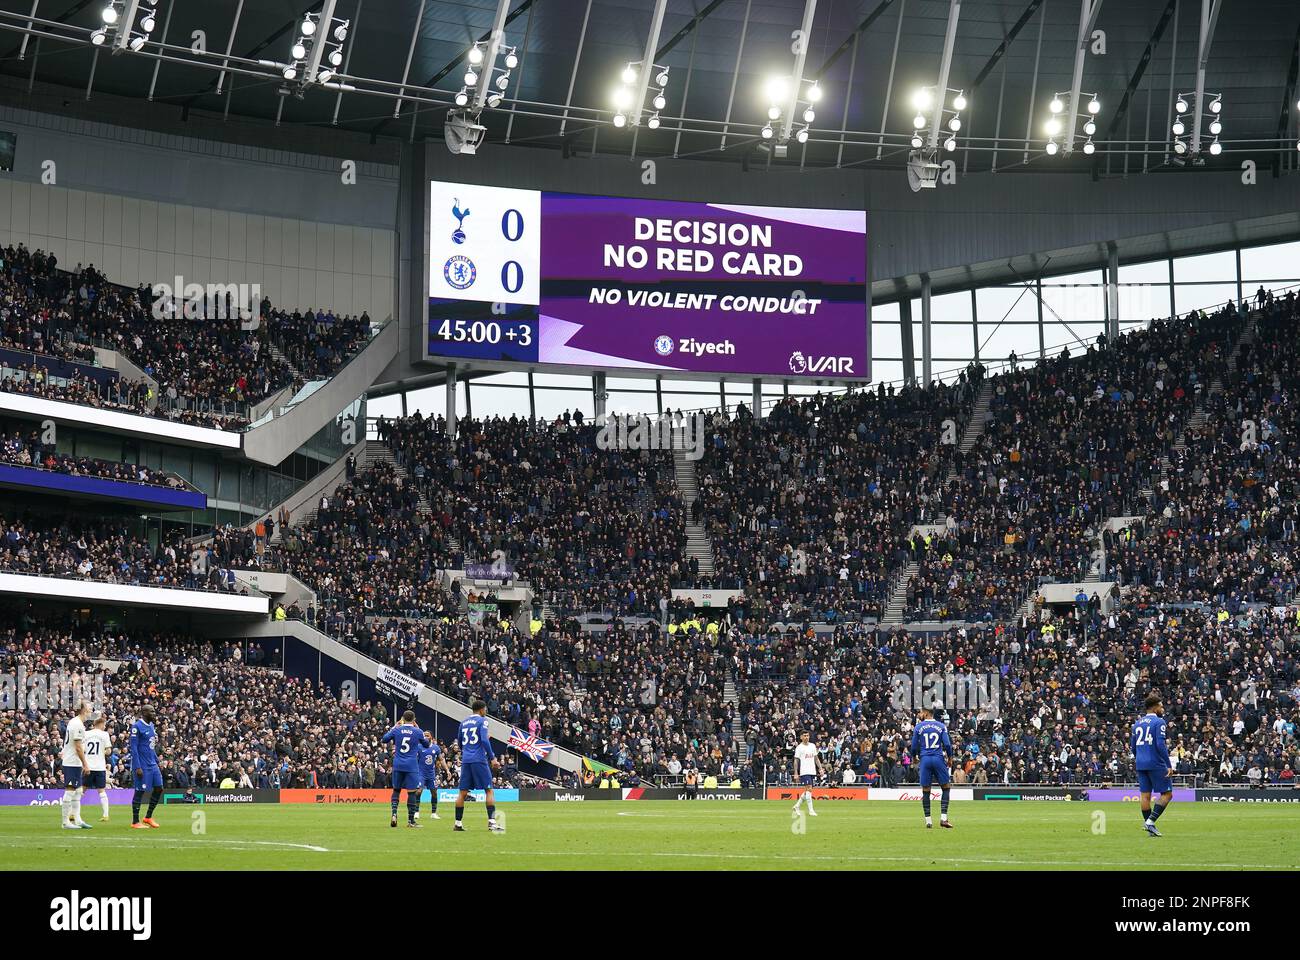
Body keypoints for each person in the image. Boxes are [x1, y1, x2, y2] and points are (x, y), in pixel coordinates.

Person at [454, 700, 503, 832]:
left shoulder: (463, 723)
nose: (485, 711)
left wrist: (468, 750)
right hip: (479, 759)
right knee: (488, 790)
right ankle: (492, 822)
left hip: (466, 759)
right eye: (485, 709)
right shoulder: (483, 721)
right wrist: (492, 757)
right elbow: (483, 739)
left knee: (462, 793)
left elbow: (459, 742)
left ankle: (458, 823)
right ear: (481, 710)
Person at [1132, 692, 1174, 837]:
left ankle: (1150, 828)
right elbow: (1160, 744)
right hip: (1155, 762)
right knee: (1167, 794)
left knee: (1145, 796)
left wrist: (1140, 758)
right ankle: (1150, 822)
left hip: (1140, 763)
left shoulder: (1137, 724)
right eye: (1161, 706)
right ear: (1155, 707)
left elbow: (1133, 747)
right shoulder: (1159, 722)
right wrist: (1168, 764)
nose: (1163, 709)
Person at [381, 709, 425, 828]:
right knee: (411, 793)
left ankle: (394, 814)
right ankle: (411, 821)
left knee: (396, 790)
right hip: (411, 765)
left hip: (398, 764)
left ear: (403, 719)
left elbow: (384, 739)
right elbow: (426, 744)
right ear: (414, 719)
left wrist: (394, 727)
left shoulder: (397, 730)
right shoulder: (418, 731)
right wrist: (419, 729)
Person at [910, 709, 954, 829]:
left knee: (926, 790)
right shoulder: (941, 726)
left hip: (925, 760)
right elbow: (948, 744)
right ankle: (944, 818)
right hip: (938, 758)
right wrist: (950, 758)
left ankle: (928, 821)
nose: (919, 715)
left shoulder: (918, 727)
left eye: (920, 712)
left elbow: (913, 746)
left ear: (926, 713)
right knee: (946, 787)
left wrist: (913, 757)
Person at [59, 701, 93, 830]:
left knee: (78, 791)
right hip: (72, 762)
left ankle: (77, 819)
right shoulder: (77, 724)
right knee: (70, 790)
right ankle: (65, 822)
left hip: (73, 762)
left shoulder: (75, 723)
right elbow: (78, 747)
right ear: (83, 710)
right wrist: (86, 764)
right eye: (89, 708)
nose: (91, 710)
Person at [129, 706, 163, 829]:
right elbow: (134, 748)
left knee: (159, 788)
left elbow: (151, 746)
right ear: (144, 713)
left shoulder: (152, 725)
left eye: (154, 710)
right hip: (142, 765)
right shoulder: (137, 727)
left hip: (152, 764)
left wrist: (156, 759)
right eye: (151, 711)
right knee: (140, 791)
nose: (154, 713)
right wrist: (137, 766)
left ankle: (148, 817)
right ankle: (135, 821)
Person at [83, 715, 112, 823]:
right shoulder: (104, 735)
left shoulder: (86, 734)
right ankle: (105, 815)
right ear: (100, 724)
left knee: (82, 789)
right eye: (104, 725)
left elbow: (83, 750)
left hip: (88, 766)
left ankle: (73, 812)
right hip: (100, 767)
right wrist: (102, 753)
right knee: (101, 791)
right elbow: (108, 751)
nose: (105, 727)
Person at [791, 730, 822, 817]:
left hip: (812, 771)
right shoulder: (799, 748)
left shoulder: (812, 746)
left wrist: (820, 768)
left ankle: (797, 806)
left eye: (807, 735)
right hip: (804, 771)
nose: (806, 737)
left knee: (808, 791)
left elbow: (816, 758)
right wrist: (796, 772)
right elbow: (796, 761)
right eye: (804, 736)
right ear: (801, 737)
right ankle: (811, 810)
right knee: (809, 790)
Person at [416, 733, 443, 821]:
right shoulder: (419, 747)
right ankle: (416, 812)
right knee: (419, 791)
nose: (426, 737)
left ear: (431, 737)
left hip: (431, 774)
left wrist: (447, 770)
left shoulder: (436, 747)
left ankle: (433, 813)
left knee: (434, 792)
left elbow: (441, 759)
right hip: (421, 773)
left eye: (427, 735)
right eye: (424, 736)